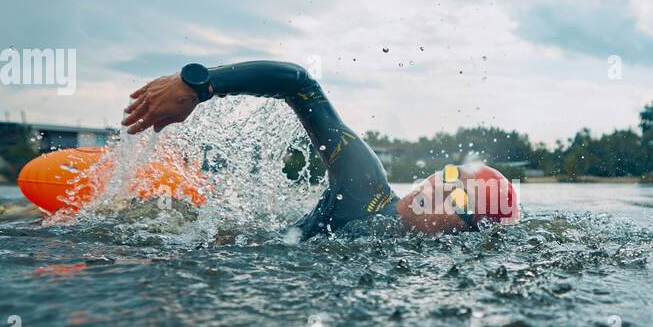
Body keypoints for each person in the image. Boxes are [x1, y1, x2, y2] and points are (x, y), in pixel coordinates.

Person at [123, 60, 520, 239]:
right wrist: (199, 84)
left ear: (467, 233)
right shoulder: (365, 186)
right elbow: (299, 84)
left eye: (459, 198)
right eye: (449, 176)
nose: (440, 187)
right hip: (223, 246)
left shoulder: (419, 263)